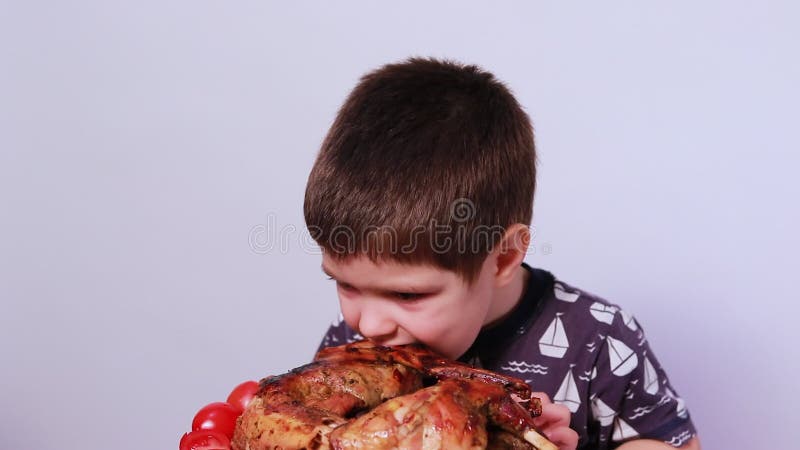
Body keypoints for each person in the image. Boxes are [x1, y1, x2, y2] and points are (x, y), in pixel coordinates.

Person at [303, 57, 700, 450]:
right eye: (345, 284)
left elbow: (676, 444)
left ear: (503, 259)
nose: (368, 324)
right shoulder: (355, 338)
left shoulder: (597, 340)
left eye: (408, 295)